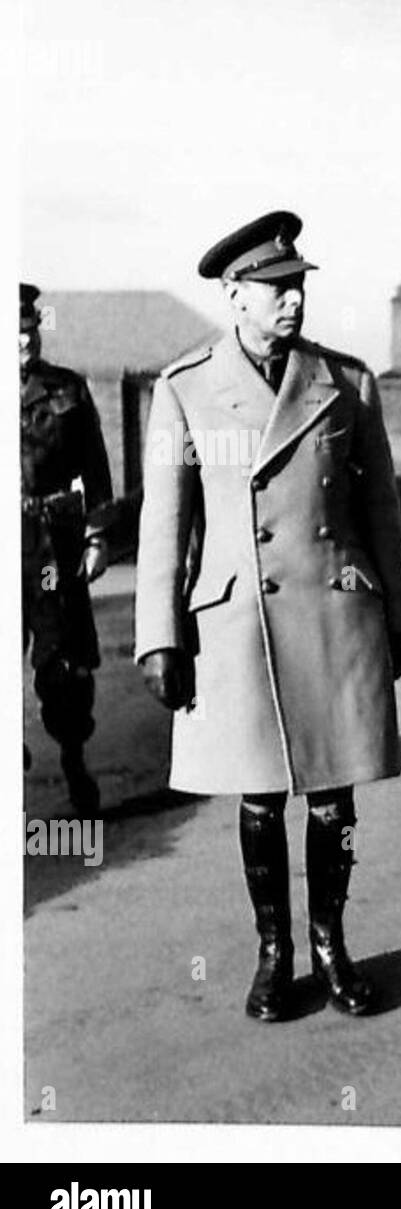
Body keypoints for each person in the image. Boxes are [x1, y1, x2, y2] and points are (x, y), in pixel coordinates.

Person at [134, 211, 401, 1021]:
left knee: (333, 796)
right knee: (259, 796)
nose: (292, 301)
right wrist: (159, 634)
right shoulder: (186, 388)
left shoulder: (345, 383)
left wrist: (396, 615)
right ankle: (273, 951)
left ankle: (331, 944)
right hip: (238, 622)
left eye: (297, 287)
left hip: (333, 609)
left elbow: (380, 514)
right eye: (275, 289)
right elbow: (166, 521)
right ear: (235, 297)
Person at [20, 282, 114, 814]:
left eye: (29, 330)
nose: (24, 341)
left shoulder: (68, 390)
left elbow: (97, 470)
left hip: (55, 542)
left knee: (64, 662)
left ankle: (74, 757)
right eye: (12, 334)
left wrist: (98, 534)